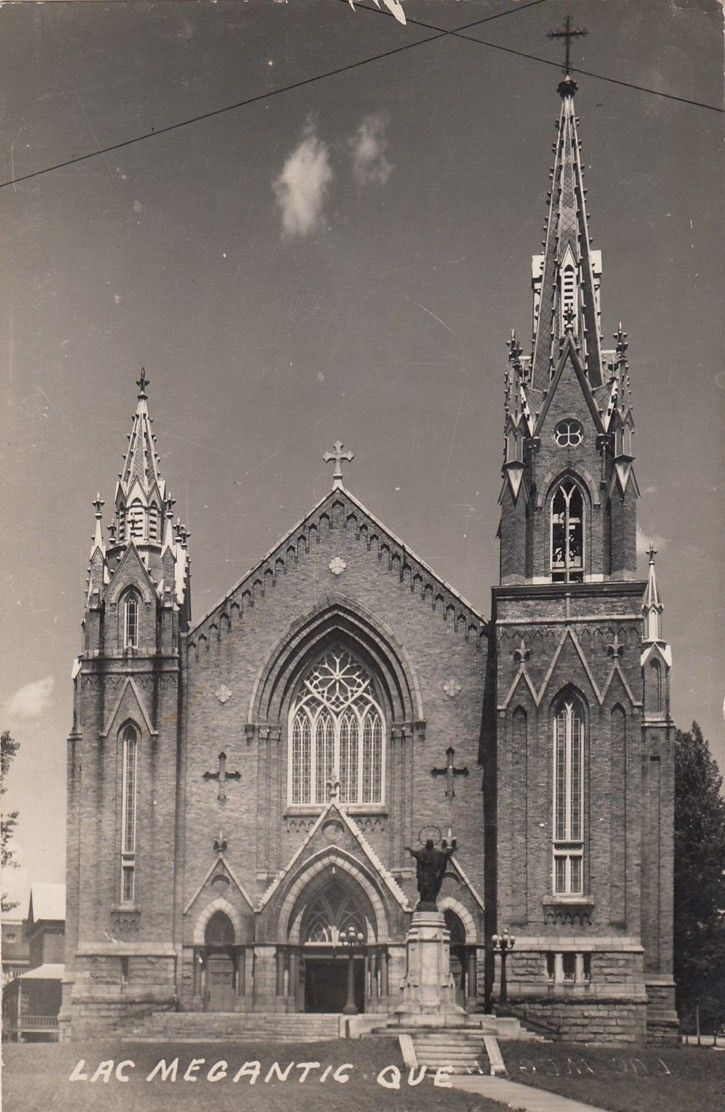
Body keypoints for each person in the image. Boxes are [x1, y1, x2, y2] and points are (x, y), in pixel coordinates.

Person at [404, 837, 457, 910]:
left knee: (432, 888)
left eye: (430, 844)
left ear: (432, 845)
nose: (429, 846)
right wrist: (410, 849)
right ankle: (424, 900)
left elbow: (444, 854)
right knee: (423, 887)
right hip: (424, 874)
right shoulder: (422, 852)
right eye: (428, 844)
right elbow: (415, 853)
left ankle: (430, 901)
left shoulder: (437, 852)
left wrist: (450, 850)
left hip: (432, 875)